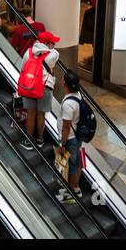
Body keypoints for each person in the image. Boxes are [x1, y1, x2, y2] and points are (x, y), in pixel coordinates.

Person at [17, 31, 59, 148]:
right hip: (44, 88)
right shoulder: (52, 55)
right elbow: (55, 52)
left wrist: (37, 45)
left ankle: (28, 141)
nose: (53, 45)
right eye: (52, 43)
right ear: (47, 43)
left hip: (29, 86)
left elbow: (23, 68)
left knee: (31, 114)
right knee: (41, 114)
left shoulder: (28, 52)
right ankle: (40, 139)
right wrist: (46, 48)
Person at [57, 70, 87, 204]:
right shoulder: (78, 96)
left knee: (72, 166)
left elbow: (66, 127)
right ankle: (77, 188)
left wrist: (62, 144)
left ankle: (72, 191)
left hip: (70, 139)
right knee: (77, 163)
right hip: (78, 135)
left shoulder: (69, 104)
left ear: (65, 83)